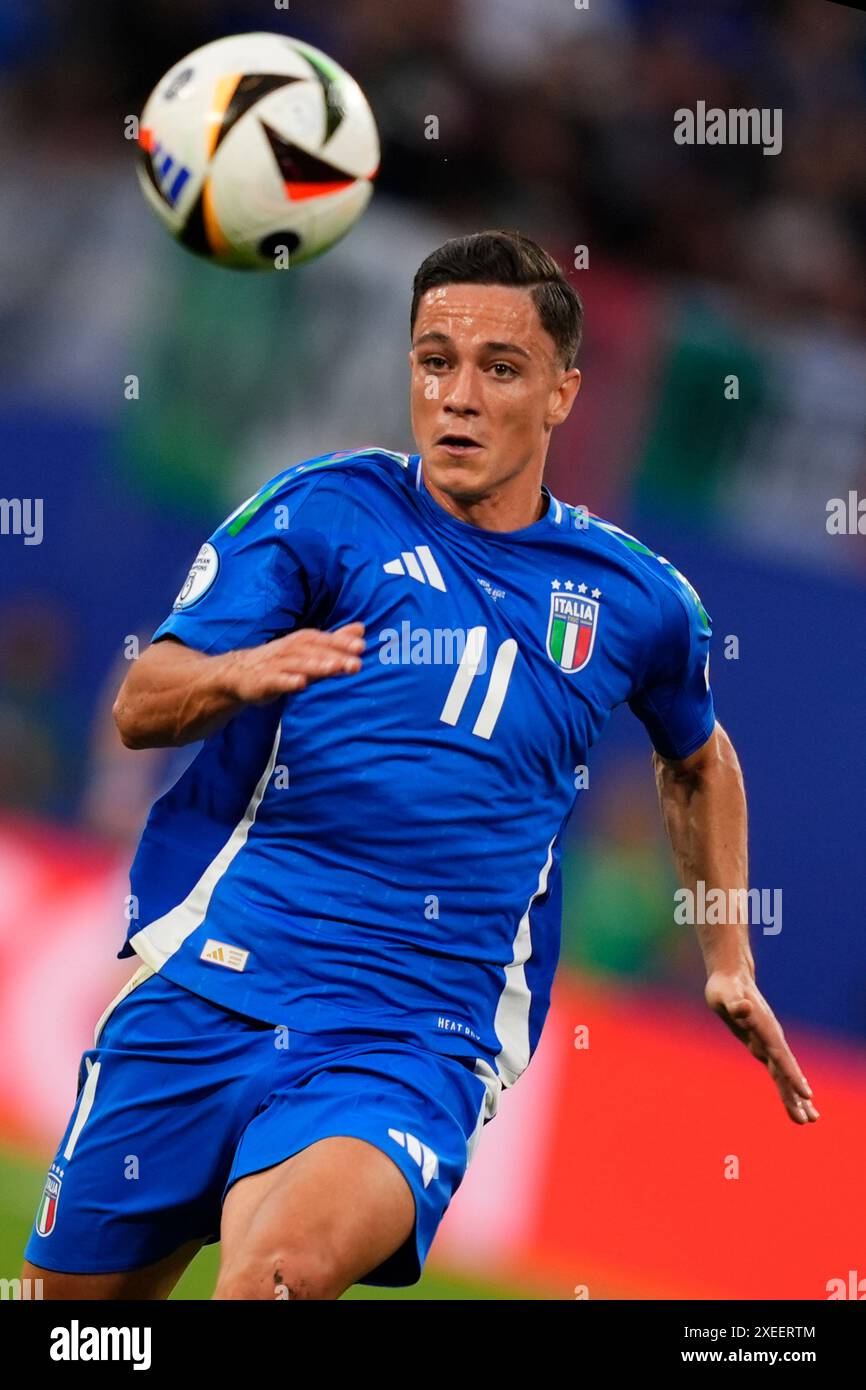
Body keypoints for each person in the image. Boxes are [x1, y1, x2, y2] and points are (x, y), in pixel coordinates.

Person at [22, 229, 818, 1301]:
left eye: (498, 369)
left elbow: (699, 757)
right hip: (208, 982)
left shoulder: (636, 600)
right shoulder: (322, 511)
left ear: (561, 395)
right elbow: (141, 704)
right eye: (434, 360)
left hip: (410, 1030)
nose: (456, 394)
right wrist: (246, 670)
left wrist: (727, 954)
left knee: (273, 1279)